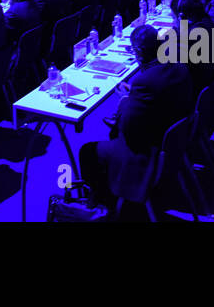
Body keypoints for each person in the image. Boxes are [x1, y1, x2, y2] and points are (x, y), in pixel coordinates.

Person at [78, 24, 194, 213]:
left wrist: (125, 101)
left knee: (87, 151)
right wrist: (135, 97)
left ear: (139, 52)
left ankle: (102, 201)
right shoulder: (179, 67)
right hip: (172, 140)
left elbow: (127, 126)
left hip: (148, 152)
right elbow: (163, 96)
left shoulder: (144, 81)